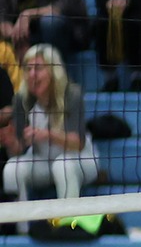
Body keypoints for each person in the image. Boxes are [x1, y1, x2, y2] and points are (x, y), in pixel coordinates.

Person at [2, 44, 96, 201]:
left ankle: (67, 223)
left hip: (79, 159)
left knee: (62, 165)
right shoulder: (21, 100)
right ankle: (20, 225)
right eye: (28, 69)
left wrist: (47, 135)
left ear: (53, 71)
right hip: (43, 161)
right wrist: (12, 143)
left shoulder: (72, 94)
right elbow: (19, 149)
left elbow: (78, 143)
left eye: (38, 68)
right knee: (12, 167)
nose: (32, 74)